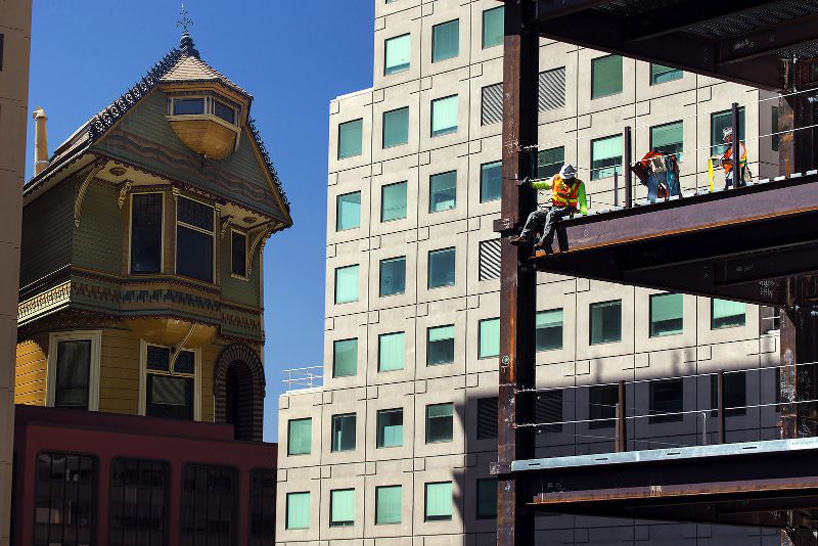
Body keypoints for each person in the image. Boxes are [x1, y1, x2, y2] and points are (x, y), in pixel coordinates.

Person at [509, 163, 587, 251]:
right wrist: (531, 184)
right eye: (563, 178)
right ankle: (524, 237)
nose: (564, 180)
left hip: (568, 209)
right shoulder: (556, 179)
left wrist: (583, 216)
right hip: (555, 207)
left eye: (566, 179)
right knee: (534, 215)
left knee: (551, 215)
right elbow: (544, 184)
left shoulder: (579, 184)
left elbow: (583, 201)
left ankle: (545, 241)